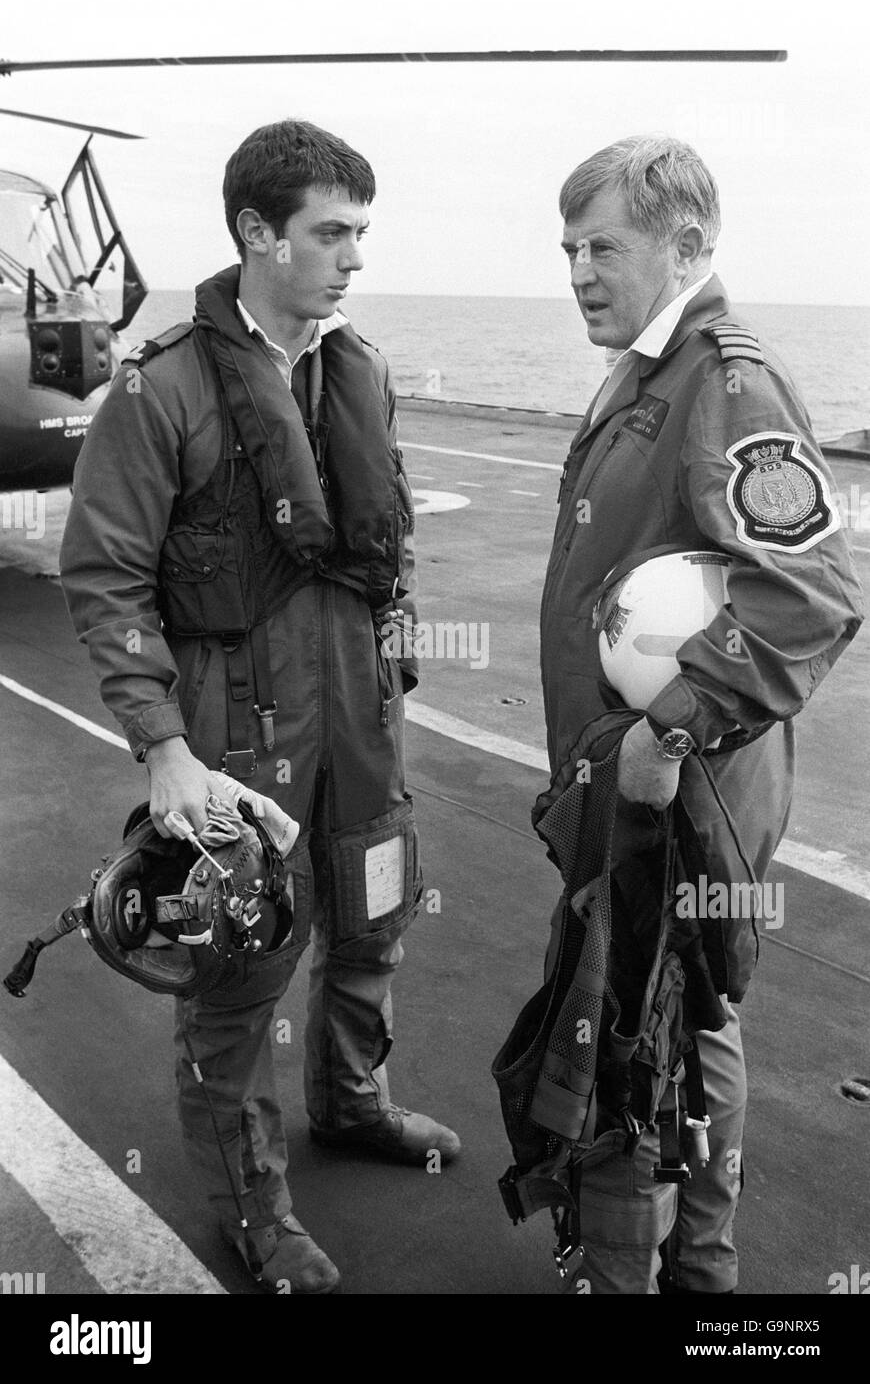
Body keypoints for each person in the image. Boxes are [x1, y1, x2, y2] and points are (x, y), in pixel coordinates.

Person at [60, 119, 459, 1296]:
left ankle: (351, 1102)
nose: (352, 259)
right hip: (239, 744)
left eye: (360, 235)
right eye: (331, 234)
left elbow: (387, 541)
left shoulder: (363, 369)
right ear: (255, 234)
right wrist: (163, 745)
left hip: (365, 728)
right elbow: (105, 573)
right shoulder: (164, 384)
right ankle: (256, 1211)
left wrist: (401, 631)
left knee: (373, 919)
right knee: (240, 977)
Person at [539, 134, 864, 1294]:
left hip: (684, 790)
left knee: (656, 1028)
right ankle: (696, 1275)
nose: (578, 269)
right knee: (676, 1020)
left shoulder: (728, 380)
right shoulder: (645, 368)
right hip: (630, 782)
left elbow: (816, 593)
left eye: (604, 246)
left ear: (687, 244)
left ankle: (661, 1276)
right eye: (569, 247)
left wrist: (669, 723)